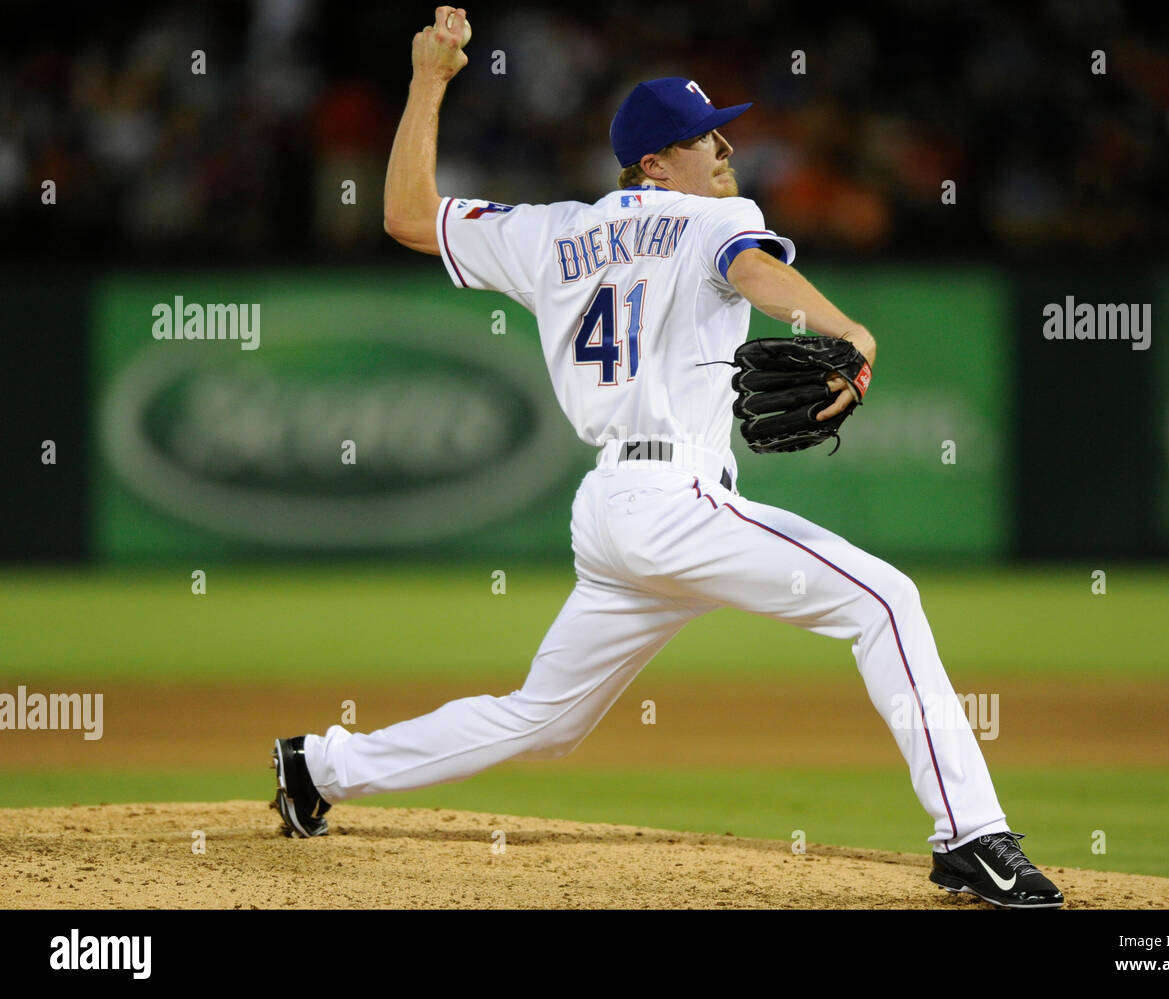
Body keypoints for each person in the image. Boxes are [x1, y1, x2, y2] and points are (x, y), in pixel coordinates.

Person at [272, 6, 1064, 909]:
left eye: (719, 129)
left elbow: (408, 216)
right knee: (886, 598)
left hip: (612, 512)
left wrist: (425, 83)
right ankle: (970, 837)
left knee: (545, 720)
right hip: (676, 498)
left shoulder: (551, 232)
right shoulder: (703, 222)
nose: (723, 145)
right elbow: (757, 272)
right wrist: (842, 325)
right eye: (701, 136)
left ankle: (320, 766)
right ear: (657, 163)